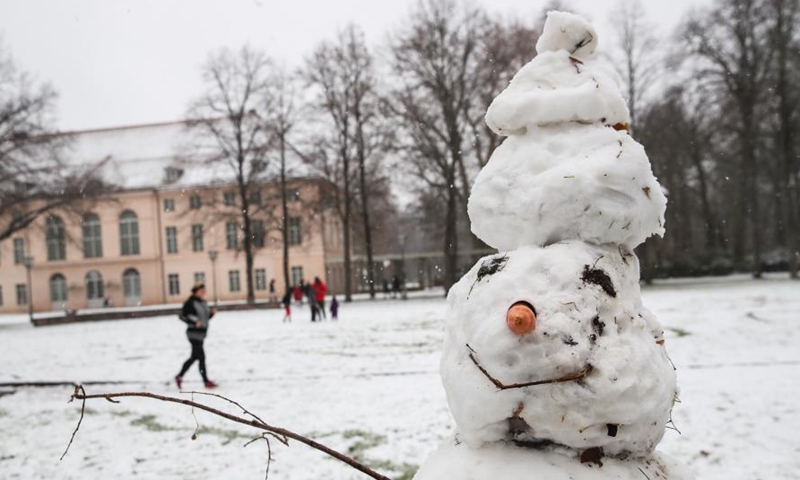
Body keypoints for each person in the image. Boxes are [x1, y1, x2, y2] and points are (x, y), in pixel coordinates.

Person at [175, 284, 218, 389]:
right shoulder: (190, 302)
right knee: (201, 357)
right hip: (193, 334)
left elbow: (205, 318)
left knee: (194, 357)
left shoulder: (203, 302)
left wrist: (212, 313)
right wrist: (194, 322)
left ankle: (179, 376)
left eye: (204, 290)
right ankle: (206, 381)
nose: (203, 292)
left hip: (201, 334)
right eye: (201, 290)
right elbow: (183, 316)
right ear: (195, 291)